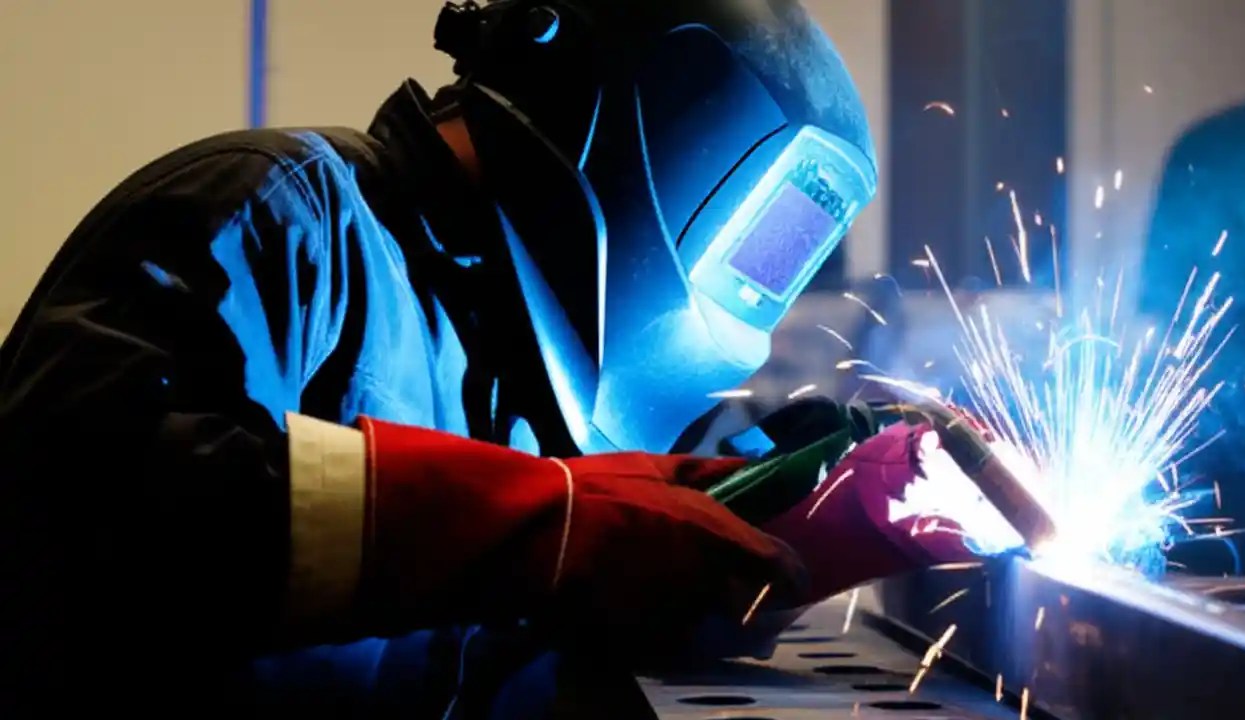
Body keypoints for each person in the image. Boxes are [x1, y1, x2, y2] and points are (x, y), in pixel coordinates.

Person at [0, 0, 975, 715]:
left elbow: (602, 559)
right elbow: (68, 494)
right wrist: (532, 524)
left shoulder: (544, 375)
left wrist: (823, 494)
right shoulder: (289, 220)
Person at [1140, 99, 1245, 576]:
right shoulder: (1214, 145)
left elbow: (1164, 320)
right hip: (1222, 458)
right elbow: (1167, 323)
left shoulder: (1210, 141)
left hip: (1223, 466)